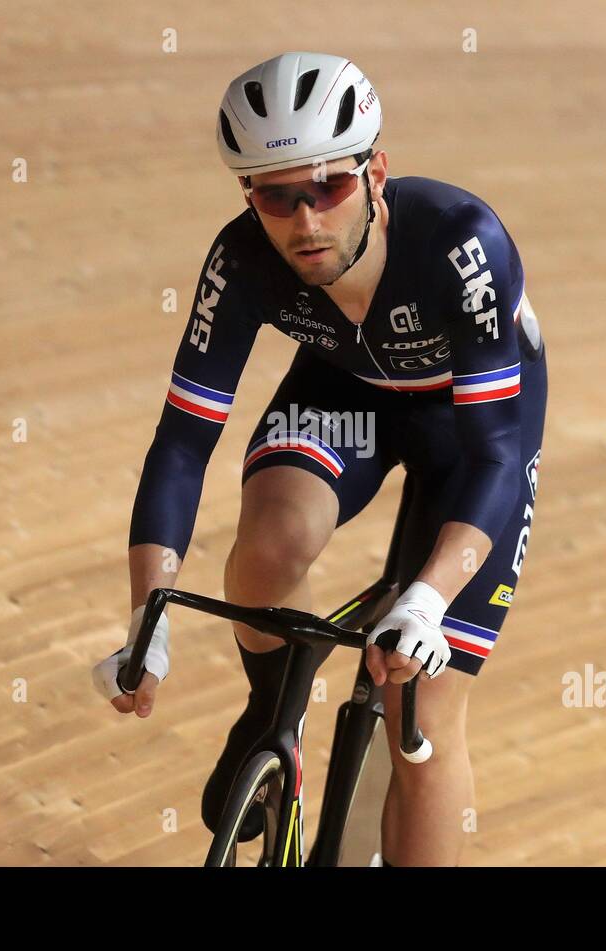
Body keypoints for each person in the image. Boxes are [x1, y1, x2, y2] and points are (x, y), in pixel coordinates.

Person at [94, 51, 547, 867]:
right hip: (349, 394)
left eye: (328, 187)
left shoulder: (461, 241)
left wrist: (431, 598)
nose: (305, 222)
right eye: (277, 196)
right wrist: (145, 616)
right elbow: (182, 441)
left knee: (423, 713)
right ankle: (275, 713)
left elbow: (495, 456)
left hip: (475, 429)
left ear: (376, 172)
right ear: (248, 197)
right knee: (268, 545)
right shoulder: (240, 261)